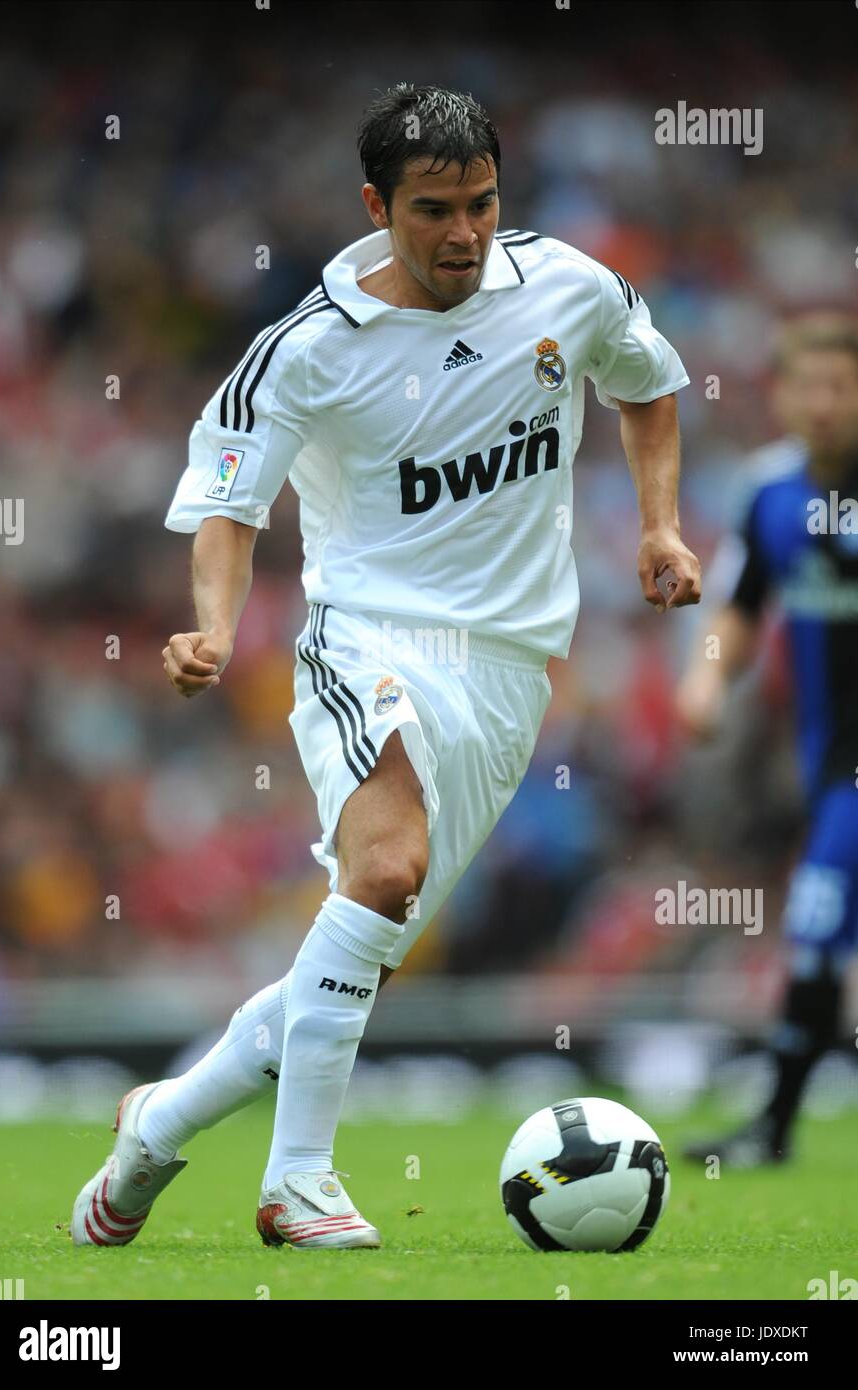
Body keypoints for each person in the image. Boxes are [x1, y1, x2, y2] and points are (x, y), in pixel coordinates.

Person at [72, 82, 700, 1251]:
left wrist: (659, 526)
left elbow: (651, 385)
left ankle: (158, 1120)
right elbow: (227, 507)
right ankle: (297, 1182)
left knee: (361, 940)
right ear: (376, 205)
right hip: (368, 640)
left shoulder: (568, 286)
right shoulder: (303, 350)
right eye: (432, 211)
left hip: (510, 670)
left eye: (480, 203)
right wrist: (213, 624)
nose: (461, 232)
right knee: (387, 867)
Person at [678, 313, 858, 1168]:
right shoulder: (768, 492)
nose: (822, 404)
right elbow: (741, 605)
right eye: (807, 386)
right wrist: (708, 678)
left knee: (818, 922)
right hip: (831, 765)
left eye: (840, 385)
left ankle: (772, 1129)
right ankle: (773, 1131)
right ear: (780, 395)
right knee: (818, 929)